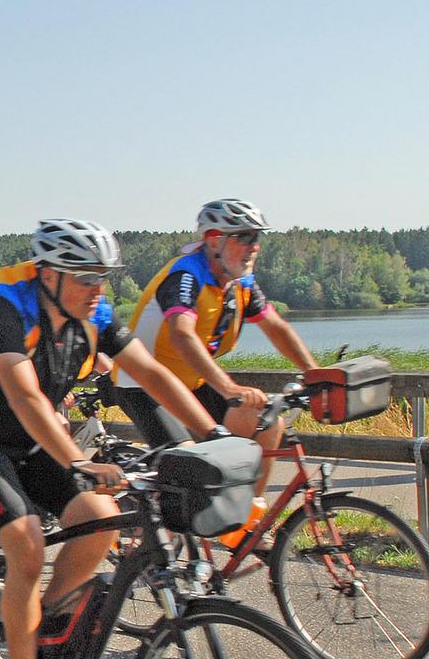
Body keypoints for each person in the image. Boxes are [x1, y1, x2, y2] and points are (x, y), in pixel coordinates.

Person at [0, 218, 229, 659]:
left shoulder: (95, 314)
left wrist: (211, 434)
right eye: (87, 278)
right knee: (28, 545)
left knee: (101, 517)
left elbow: (150, 374)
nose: (98, 290)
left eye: (104, 278)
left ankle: (39, 630)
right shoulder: (6, 305)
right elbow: (24, 395)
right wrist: (79, 461)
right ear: (50, 274)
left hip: (34, 442)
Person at [113, 199, 317, 530]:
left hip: (190, 383)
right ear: (213, 240)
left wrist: (315, 373)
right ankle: (146, 546)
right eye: (245, 237)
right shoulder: (186, 275)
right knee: (187, 462)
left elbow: (275, 327)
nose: (254, 246)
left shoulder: (240, 283)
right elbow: (182, 335)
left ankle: (245, 519)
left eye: (256, 238)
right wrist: (229, 387)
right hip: (143, 385)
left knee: (268, 421)